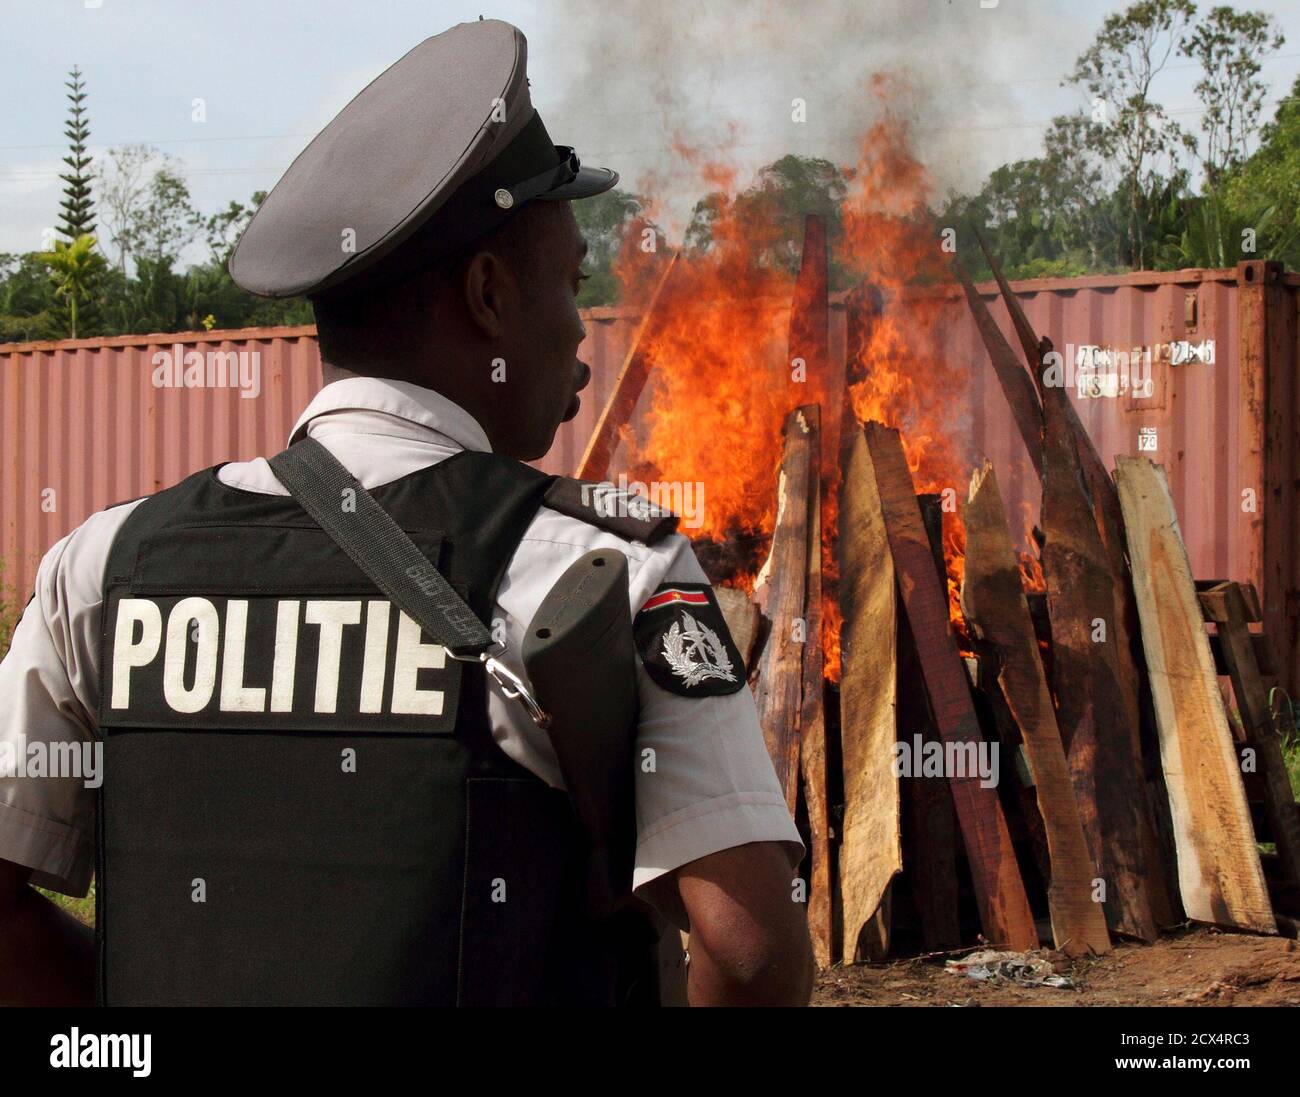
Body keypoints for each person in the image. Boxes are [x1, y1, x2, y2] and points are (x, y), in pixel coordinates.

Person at [0, 19, 811, 1007]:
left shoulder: (106, 562)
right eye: (567, 285)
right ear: (487, 296)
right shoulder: (595, 567)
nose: (578, 338)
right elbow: (751, 948)